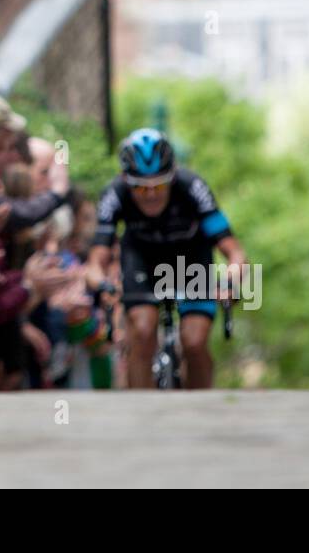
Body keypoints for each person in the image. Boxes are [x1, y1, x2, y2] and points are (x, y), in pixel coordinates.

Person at [87, 128, 247, 389]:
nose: (151, 194)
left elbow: (235, 252)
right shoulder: (114, 194)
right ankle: (143, 412)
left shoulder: (193, 187)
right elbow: (95, 262)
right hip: (141, 260)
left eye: (160, 184)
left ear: (173, 176)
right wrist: (102, 283)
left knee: (194, 342)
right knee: (141, 330)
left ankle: (200, 408)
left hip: (191, 259)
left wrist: (229, 280)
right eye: (140, 188)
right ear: (125, 180)